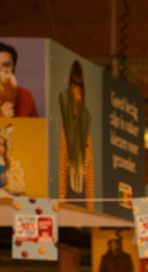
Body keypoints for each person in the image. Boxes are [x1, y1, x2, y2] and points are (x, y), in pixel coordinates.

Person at [58, 61, 93, 205]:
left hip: (81, 190)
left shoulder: (86, 134)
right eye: (73, 89)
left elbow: (89, 173)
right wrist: (60, 202)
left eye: (79, 91)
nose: (76, 96)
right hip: (69, 192)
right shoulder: (64, 130)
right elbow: (62, 168)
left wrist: (92, 211)